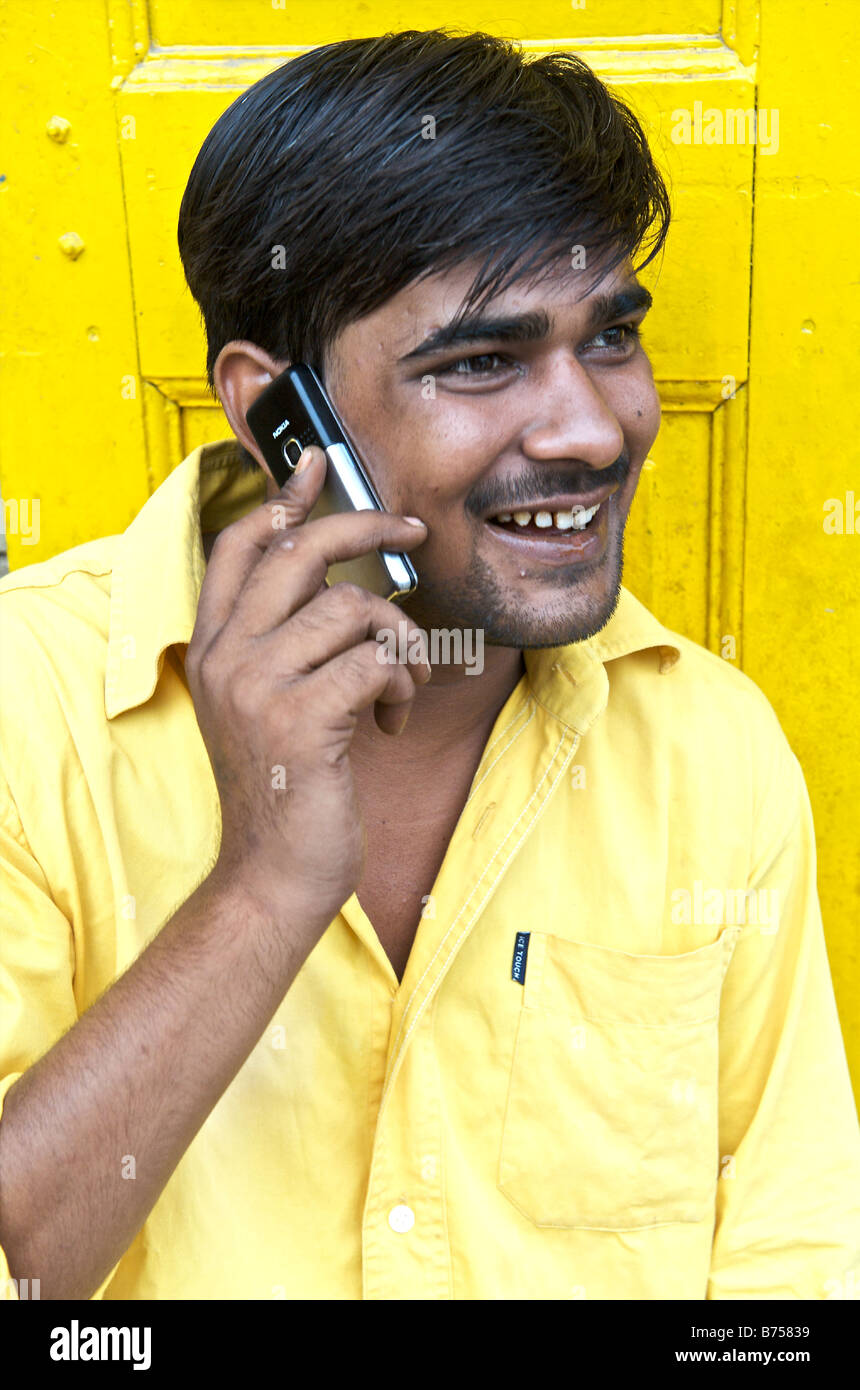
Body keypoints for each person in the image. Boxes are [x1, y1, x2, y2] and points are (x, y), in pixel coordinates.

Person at [0, 28, 858, 1302]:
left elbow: (791, 1266)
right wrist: (261, 888)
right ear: (279, 414)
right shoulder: (28, 713)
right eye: (481, 362)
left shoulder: (706, 747)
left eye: (608, 340)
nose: (591, 430)